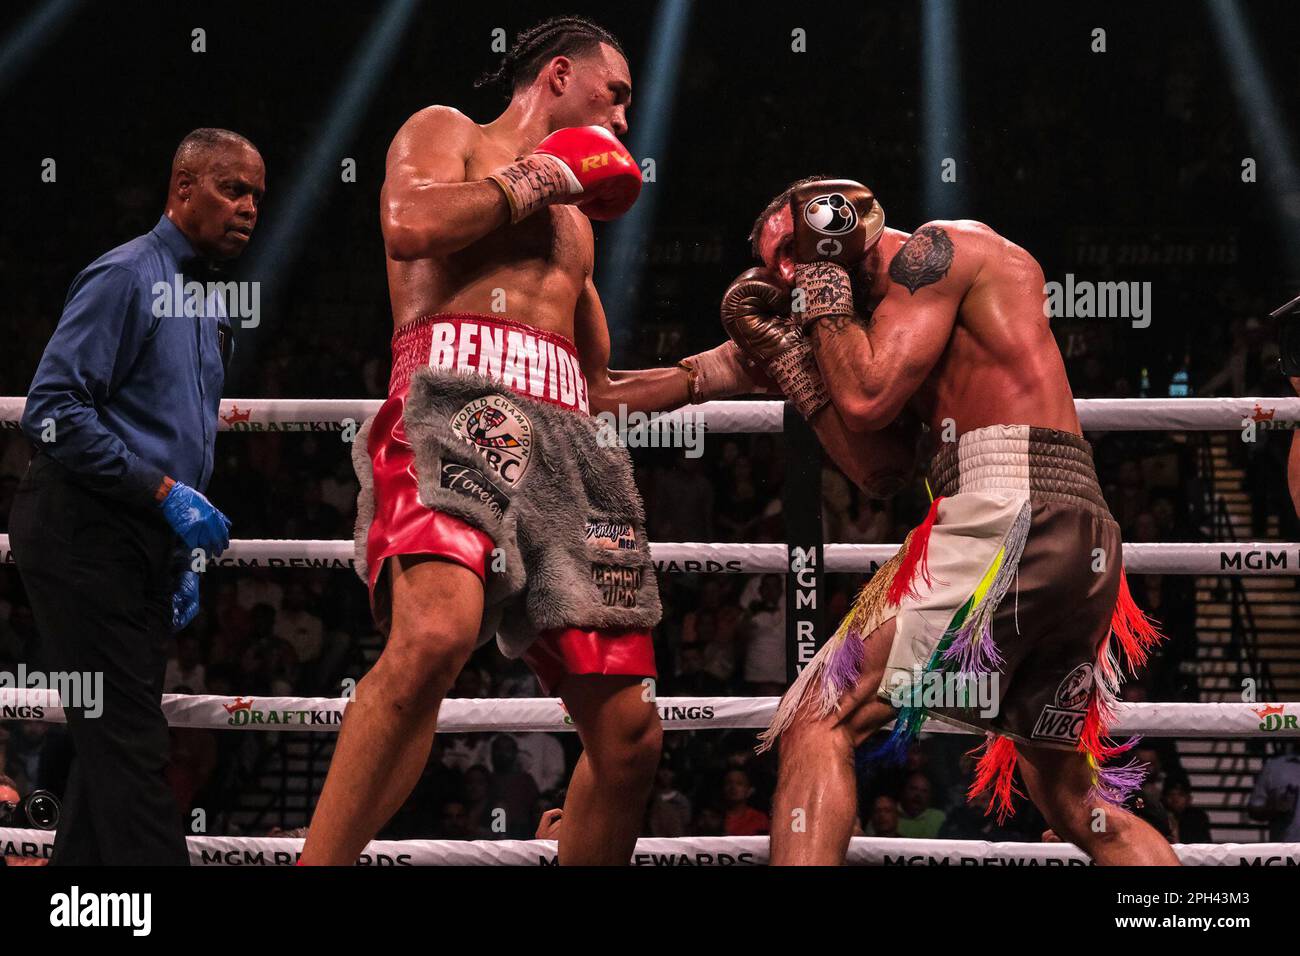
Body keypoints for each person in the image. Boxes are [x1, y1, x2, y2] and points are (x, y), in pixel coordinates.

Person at [301, 16, 760, 866]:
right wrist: (542, 175)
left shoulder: (578, 227)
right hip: (459, 404)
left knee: (630, 739)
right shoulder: (451, 134)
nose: (624, 122)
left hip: (568, 444)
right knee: (436, 634)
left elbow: (597, 390)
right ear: (558, 75)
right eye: (615, 96)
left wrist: (719, 370)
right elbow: (409, 225)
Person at [729, 176, 1178, 865]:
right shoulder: (899, 326)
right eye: (776, 269)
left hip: (1009, 508)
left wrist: (819, 297)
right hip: (1072, 536)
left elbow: (866, 395)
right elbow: (879, 471)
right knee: (1070, 799)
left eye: (796, 250)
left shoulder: (939, 248)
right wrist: (794, 361)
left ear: (839, 222)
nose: (789, 276)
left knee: (818, 718)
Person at [9, 129, 263, 865]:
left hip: (142, 537)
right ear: (183, 189)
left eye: (256, 196)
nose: (248, 208)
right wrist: (158, 491)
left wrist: (177, 540)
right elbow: (51, 409)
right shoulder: (125, 274)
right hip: (84, 529)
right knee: (129, 742)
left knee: (108, 742)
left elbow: (184, 437)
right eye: (231, 188)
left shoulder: (210, 309)